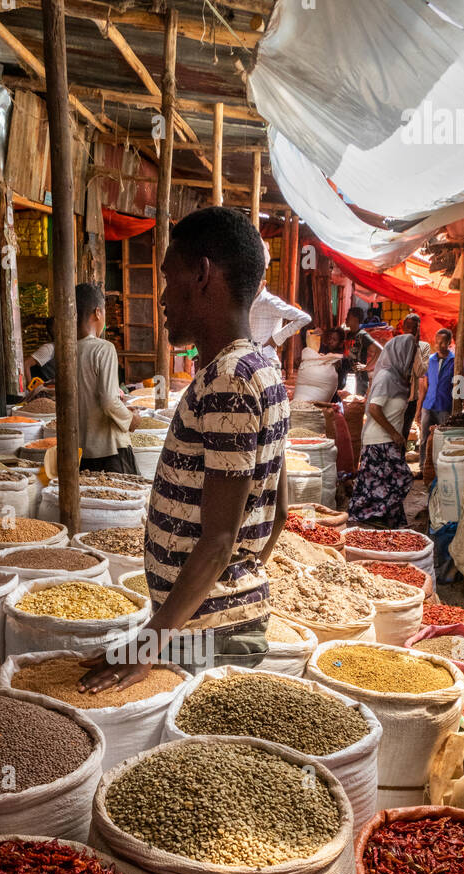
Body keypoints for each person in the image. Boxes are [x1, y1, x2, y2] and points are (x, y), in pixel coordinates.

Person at [78, 206, 289, 696]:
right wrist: (241, 581)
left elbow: (218, 539)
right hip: (212, 622)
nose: (162, 296)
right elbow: (278, 509)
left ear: (202, 274)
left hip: (207, 633)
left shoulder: (228, 380)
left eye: (168, 277)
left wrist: (145, 648)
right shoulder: (264, 368)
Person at [347, 333, 417, 527]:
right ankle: (372, 517)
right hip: (379, 441)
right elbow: (374, 409)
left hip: (386, 440)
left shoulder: (398, 378)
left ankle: (385, 520)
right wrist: (395, 433)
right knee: (400, 478)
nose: (412, 358)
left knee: (383, 483)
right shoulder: (386, 377)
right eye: (410, 354)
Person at [75, 282, 141, 474]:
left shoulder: (66, 350)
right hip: (109, 451)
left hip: (80, 452)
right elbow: (108, 401)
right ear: (97, 312)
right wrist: (130, 419)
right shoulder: (103, 348)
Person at [248, 240, 311, 368]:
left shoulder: (270, 301)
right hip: (250, 359)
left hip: (267, 359)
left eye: (256, 282)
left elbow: (304, 318)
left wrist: (276, 339)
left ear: (264, 283)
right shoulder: (247, 301)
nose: (252, 286)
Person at [417, 328, 455, 465]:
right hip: (428, 405)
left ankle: (440, 467)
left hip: (444, 406)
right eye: (437, 342)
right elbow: (425, 387)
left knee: (443, 439)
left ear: (449, 342)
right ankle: (423, 466)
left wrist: (457, 407)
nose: (439, 345)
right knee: (424, 439)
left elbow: (459, 386)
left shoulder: (455, 361)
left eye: (443, 342)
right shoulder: (430, 360)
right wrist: (419, 408)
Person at [401, 313, 429, 442]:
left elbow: (420, 371)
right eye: (407, 326)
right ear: (403, 327)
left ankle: (400, 459)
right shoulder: (396, 344)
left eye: (414, 327)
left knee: (404, 433)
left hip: (411, 399)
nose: (410, 330)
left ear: (418, 329)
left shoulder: (423, 347)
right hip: (396, 397)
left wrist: (415, 345)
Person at [345, 306, 382, 395]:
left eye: (348, 317)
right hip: (350, 377)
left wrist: (367, 367)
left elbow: (380, 350)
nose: (346, 319)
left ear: (355, 319)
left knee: (357, 404)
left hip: (360, 379)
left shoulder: (362, 335)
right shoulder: (349, 334)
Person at [25, 317, 55, 384]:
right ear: (52, 330)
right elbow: (26, 364)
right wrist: (31, 389)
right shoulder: (49, 348)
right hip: (38, 386)